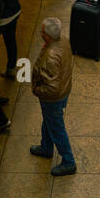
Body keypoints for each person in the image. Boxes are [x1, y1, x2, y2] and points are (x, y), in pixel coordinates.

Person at [29, 17, 76, 175]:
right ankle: (46, 147)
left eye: (42, 31)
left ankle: (68, 161)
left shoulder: (50, 56)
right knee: (49, 121)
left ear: (47, 36)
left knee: (57, 127)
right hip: (64, 89)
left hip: (53, 98)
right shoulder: (63, 40)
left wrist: (36, 90)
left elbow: (52, 88)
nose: (40, 33)